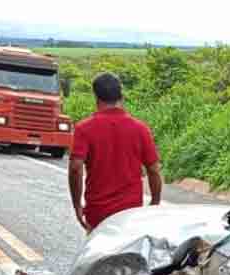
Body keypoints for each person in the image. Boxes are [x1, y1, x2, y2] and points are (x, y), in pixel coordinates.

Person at [68, 73, 163, 233]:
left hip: (97, 212)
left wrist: (77, 205)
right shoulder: (140, 129)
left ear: (96, 96)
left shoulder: (84, 129)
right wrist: (155, 202)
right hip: (130, 213)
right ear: (121, 95)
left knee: (98, 248)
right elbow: (154, 169)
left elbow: (75, 168)